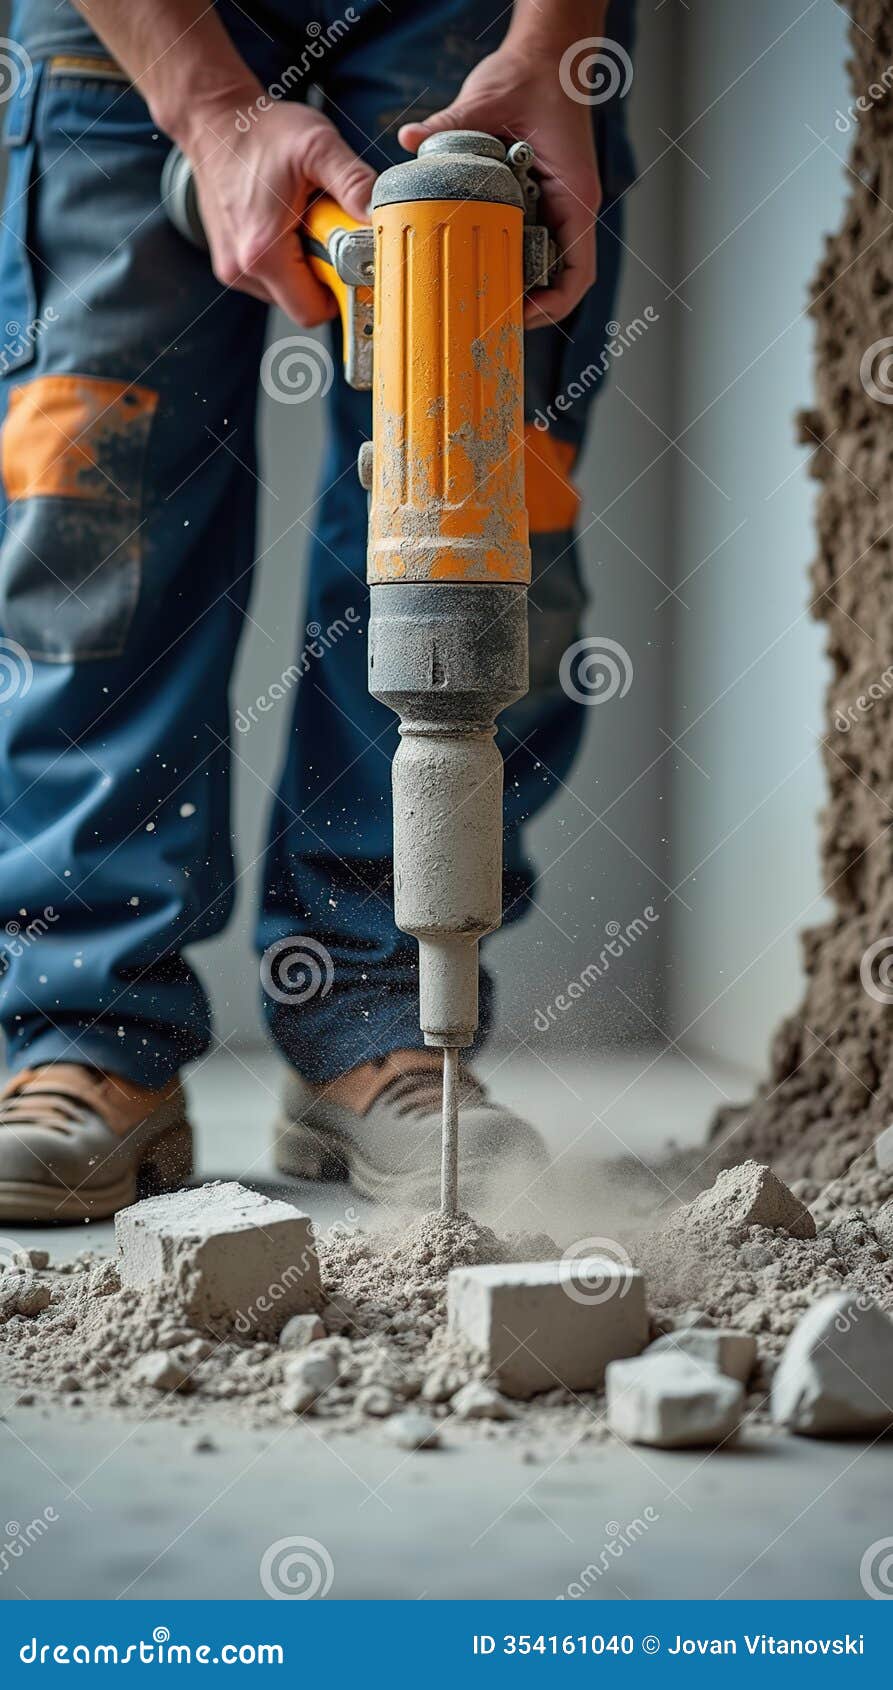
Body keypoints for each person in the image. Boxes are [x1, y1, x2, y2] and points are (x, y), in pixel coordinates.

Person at [0, 0, 636, 1220]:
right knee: (91, 508)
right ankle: (83, 1023)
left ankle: (378, 1022)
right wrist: (204, 103)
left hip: (477, 24)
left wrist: (553, 44)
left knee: (481, 494)